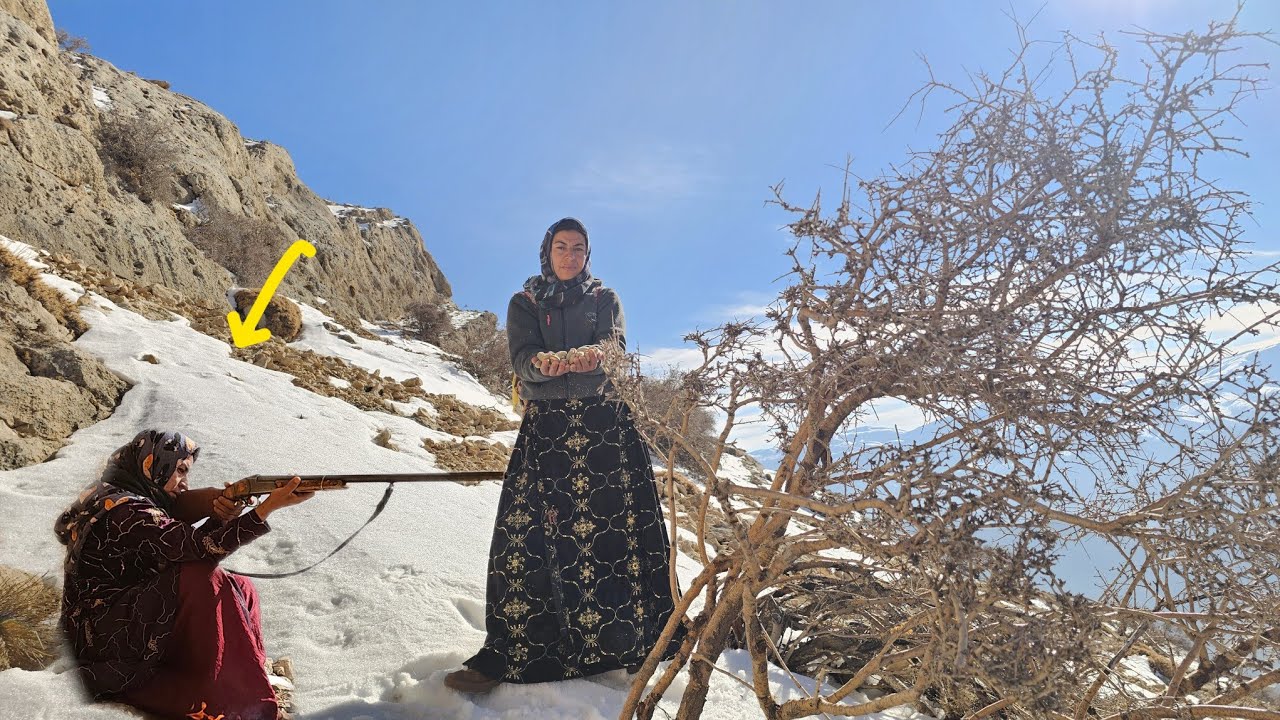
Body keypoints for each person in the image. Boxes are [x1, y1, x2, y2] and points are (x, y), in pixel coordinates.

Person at [446, 217, 683, 693]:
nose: (570, 255)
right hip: (548, 429)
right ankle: (515, 654)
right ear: (546, 251)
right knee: (529, 535)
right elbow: (521, 359)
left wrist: (592, 357)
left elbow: (614, 347)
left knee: (620, 535)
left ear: (588, 255)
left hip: (607, 429)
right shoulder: (525, 303)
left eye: (578, 248)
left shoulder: (605, 299)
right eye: (561, 246)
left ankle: (641, 646)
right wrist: (545, 364)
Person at [54, 429, 312, 720]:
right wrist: (265, 508)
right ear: (154, 464)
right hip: (101, 636)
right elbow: (198, 550)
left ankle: (244, 677)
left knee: (240, 585)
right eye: (179, 470)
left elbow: (182, 548)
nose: (185, 484)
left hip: (116, 621)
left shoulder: (118, 498)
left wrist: (221, 515)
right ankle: (237, 703)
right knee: (206, 580)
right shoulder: (128, 511)